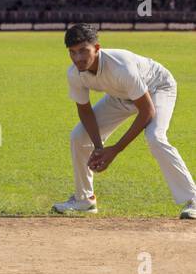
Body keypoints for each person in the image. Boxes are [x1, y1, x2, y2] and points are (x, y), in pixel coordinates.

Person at [53, 23, 196, 219]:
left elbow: (146, 111)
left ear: (96, 48)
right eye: (72, 52)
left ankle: (193, 199)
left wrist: (115, 150)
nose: (78, 58)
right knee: (79, 136)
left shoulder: (121, 66)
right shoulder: (75, 73)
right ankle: (84, 200)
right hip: (120, 96)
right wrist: (98, 147)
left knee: (155, 137)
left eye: (83, 51)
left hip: (157, 88)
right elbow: (85, 112)